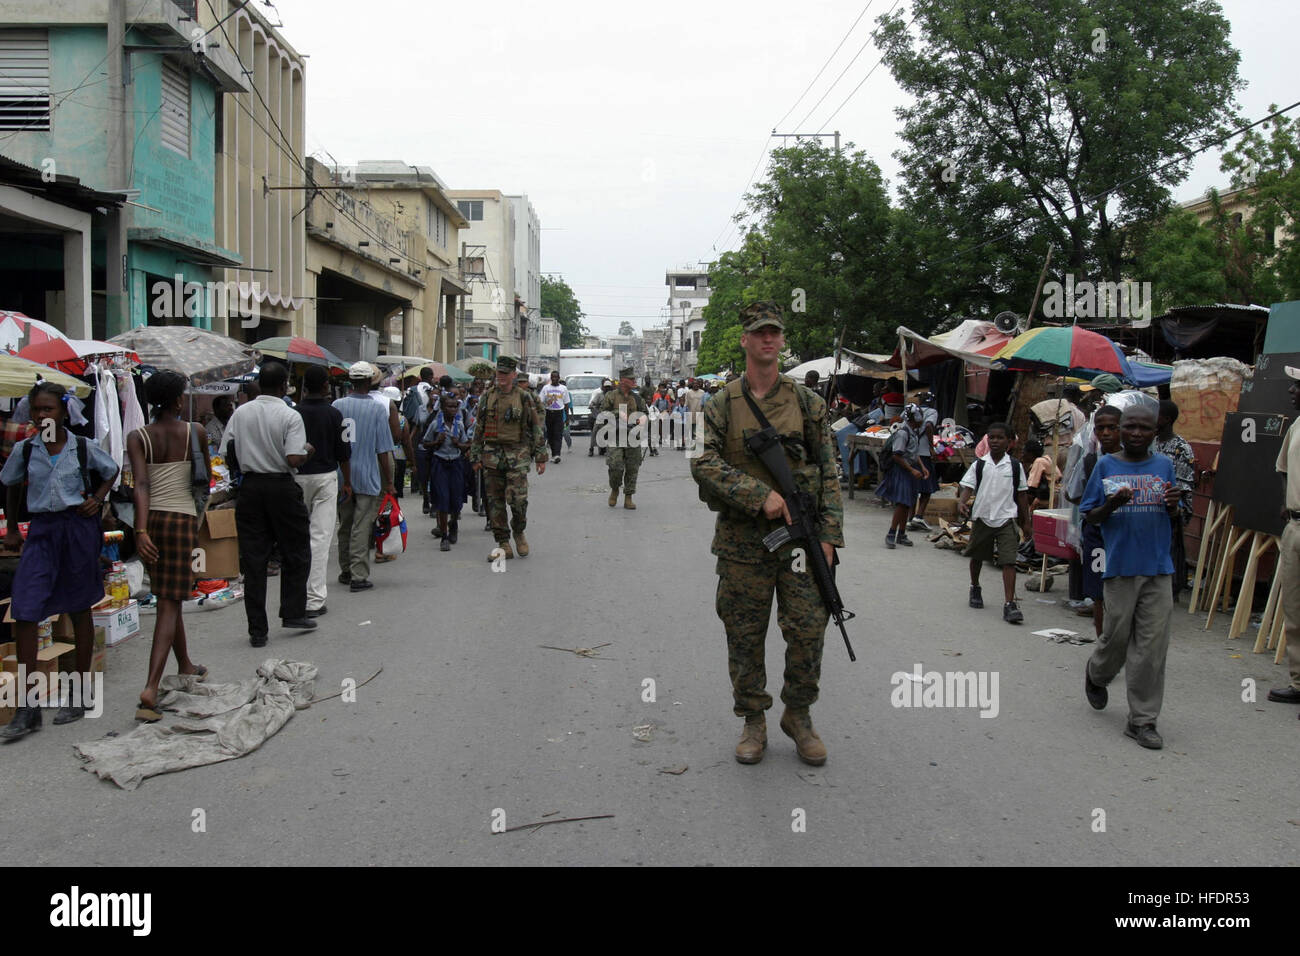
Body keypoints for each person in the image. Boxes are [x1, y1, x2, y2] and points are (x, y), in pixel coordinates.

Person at [690, 301, 844, 767]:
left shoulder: (807, 403)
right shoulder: (720, 403)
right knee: (744, 632)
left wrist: (830, 537)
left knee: (808, 630)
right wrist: (760, 496)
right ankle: (753, 720)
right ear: (745, 340)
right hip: (742, 542)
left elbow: (829, 472)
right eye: (759, 333)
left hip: (800, 541)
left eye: (775, 332)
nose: (768, 340)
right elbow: (702, 462)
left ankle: (798, 715)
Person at [0, 383, 119, 739]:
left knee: (79, 608)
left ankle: (81, 693)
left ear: (63, 412)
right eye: (37, 409)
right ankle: (28, 707)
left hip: (78, 530)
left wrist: (97, 498)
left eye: (49, 409)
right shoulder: (23, 450)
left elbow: (111, 470)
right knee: (25, 610)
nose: (42, 416)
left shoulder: (83, 447)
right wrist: (12, 530)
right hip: (41, 533)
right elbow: (10, 484)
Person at [1080, 405, 1182, 750]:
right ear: (1120, 429)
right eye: (1131, 427)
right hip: (1120, 568)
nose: (1137, 433)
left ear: (1156, 432)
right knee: (1116, 640)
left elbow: (1175, 515)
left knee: (1152, 649)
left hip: (1158, 569)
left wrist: (1172, 506)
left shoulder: (1164, 466)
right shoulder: (1106, 465)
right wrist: (1112, 504)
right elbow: (1091, 517)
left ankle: (1143, 720)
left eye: (1145, 428)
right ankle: (1097, 673)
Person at [126, 370, 211, 721]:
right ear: (178, 400)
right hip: (181, 521)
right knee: (168, 603)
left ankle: (186, 663)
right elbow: (203, 477)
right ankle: (151, 687)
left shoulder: (138, 436)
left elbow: (141, 486)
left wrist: (140, 530)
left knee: (167, 593)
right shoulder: (196, 431)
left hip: (152, 523)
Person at [222, 362, 315, 646]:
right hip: (281, 487)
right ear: (283, 384)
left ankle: (257, 630)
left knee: (254, 560)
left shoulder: (240, 413)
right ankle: (292, 611)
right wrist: (308, 450)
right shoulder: (290, 415)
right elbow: (294, 459)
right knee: (296, 550)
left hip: (250, 488)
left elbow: (227, 451)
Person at [468, 356, 547, 561]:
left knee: (518, 500)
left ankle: (519, 531)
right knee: (495, 503)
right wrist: (475, 455)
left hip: (517, 455)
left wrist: (540, 456)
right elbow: (479, 428)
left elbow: (536, 426)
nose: (501, 377)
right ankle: (503, 543)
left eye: (505, 374)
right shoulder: (487, 397)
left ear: (513, 375)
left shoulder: (524, 397)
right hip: (492, 456)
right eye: (499, 373)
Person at [957, 421, 1030, 624]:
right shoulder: (980, 464)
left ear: (1009, 441)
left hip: (1006, 518)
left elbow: (1022, 496)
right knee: (977, 557)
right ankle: (975, 586)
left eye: (1000, 437)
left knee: (1009, 561)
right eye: (992, 437)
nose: (995, 441)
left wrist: (1026, 523)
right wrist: (962, 503)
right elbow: (968, 488)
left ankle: (1010, 604)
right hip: (982, 517)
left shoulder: (1015, 466)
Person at [332, 362, 396, 592]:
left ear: (351, 382)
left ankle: (346, 569)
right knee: (361, 525)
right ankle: (359, 575)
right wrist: (389, 482)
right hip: (367, 475)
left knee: (345, 524)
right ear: (369, 382)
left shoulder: (337, 405)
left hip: (342, 474)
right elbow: (383, 450)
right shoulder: (378, 409)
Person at [295, 365, 351, 617]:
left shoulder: (294, 414)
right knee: (320, 539)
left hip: (296, 477)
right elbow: (344, 455)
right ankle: (314, 599)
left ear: (304, 386)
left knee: (298, 538)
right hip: (326, 478)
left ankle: (295, 596)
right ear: (327, 387)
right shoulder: (334, 414)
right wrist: (347, 482)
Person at [1074, 406, 1123, 637]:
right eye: (1100, 428)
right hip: (1097, 535)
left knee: (1122, 588)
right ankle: (1103, 641)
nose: (1105, 433)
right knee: (1099, 591)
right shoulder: (1090, 460)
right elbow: (1072, 493)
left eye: (1112, 428)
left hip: (1124, 536)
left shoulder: (1133, 461)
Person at [1272, 365, 1300, 710]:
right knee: (1293, 608)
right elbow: (1282, 468)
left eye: (1298, 386)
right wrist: (1287, 501)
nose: (1291, 392)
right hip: (1294, 527)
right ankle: (1298, 681)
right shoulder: (1295, 426)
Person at [1154, 400, 1195, 598]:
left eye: (1157, 415)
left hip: (1169, 510)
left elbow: (1184, 484)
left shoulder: (1181, 448)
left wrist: (1177, 510)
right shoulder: (1151, 442)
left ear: (1167, 419)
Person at [877, 404, 927, 548]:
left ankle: (902, 534)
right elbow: (897, 456)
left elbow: (913, 452)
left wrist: (922, 467)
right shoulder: (903, 433)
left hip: (910, 469)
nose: (922, 419)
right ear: (914, 418)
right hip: (902, 470)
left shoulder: (913, 432)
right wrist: (912, 470)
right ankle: (891, 533)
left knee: (908, 503)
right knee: (902, 503)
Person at [424, 393, 469, 551]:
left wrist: (459, 445)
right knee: (442, 499)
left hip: (455, 462)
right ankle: (444, 536)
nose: (453, 409)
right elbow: (425, 443)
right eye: (449, 406)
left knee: (456, 500)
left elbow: (467, 445)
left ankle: (454, 523)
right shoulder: (436, 425)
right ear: (442, 408)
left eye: (455, 406)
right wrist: (436, 442)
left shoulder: (460, 425)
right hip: (440, 463)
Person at [599, 367, 649, 509]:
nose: (634, 381)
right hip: (615, 436)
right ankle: (615, 489)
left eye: (634, 379)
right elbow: (602, 415)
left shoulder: (638, 398)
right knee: (615, 466)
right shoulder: (611, 396)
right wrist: (617, 413)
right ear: (623, 380)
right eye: (631, 379)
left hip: (633, 437)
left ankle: (628, 496)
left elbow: (645, 413)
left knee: (633, 468)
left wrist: (643, 420)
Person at [909, 394, 941, 532]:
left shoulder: (912, 411)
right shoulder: (932, 412)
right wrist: (931, 447)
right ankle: (919, 516)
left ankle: (910, 519)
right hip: (924, 454)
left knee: (914, 488)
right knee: (927, 489)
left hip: (912, 453)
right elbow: (928, 426)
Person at [540, 370, 570, 464]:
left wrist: (567, 418)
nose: (554, 379)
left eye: (556, 377)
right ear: (551, 378)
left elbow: (566, 404)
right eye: (552, 377)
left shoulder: (563, 388)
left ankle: (557, 454)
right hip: (549, 413)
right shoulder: (546, 388)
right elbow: (541, 402)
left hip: (559, 414)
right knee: (550, 435)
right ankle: (553, 454)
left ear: (559, 378)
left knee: (558, 434)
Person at [1022, 438, 1060, 511]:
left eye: (1024, 452)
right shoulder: (1047, 459)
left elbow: (1032, 486)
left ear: (1030, 453)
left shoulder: (1039, 462)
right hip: (1055, 494)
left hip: (1049, 495)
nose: (1022, 454)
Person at [589, 380, 614, 457]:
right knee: (595, 431)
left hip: (611, 417)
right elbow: (592, 404)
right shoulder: (599, 395)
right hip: (600, 417)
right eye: (606, 387)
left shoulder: (614, 396)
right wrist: (593, 407)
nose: (607, 389)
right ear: (603, 388)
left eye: (609, 387)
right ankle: (591, 449)